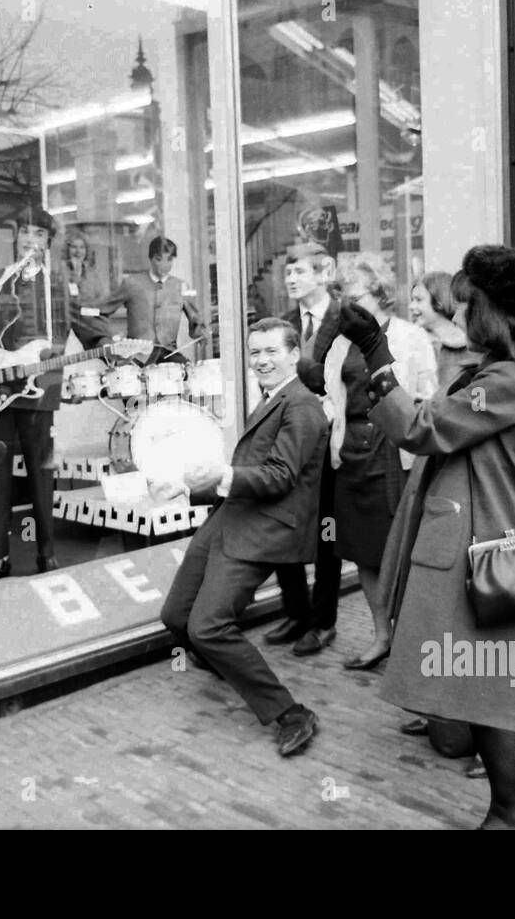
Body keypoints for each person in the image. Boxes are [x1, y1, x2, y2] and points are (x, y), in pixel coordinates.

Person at [351, 244, 515, 830]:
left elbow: (421, 428)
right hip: (489, 547)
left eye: (466, 306)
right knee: (489, 684)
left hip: (487, 550)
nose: (458, 314)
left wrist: (376, 354)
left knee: (486, 684)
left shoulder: (510, 380)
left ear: (489, 312)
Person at [158, 317, 329, 756]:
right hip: (232, 516)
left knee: (207, 627)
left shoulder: (302, 406)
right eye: (255, 352)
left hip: (264, 527)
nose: (261, 360)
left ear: (294, 354)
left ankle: (290, 712)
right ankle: (229, 663)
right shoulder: (274, 398)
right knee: (176, 616)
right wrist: (188, 487)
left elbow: (280, 476)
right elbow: (249, 471)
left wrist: (221, 475)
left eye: (272, 351)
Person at [0, 205, 111, 584]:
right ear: (15, 237)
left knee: (41, 473)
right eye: (25, 232)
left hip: (40, 390)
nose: (31, 241)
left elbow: (90, 330)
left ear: (48, 243)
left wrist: (109, 346)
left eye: (40, 234)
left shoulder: (60, 286)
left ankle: (46, 554)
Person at [324, 256, 436, 671]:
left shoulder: (411, 336)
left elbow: (429, 397)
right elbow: (332, 396)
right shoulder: (340, 342)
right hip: (352, 453)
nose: (348, 307)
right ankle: (381, 636)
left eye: (355, 298)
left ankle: (409, 640)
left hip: (393, 452)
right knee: (363, 552)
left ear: (380, 293)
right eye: (343, 299)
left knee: (399, 550)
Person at [264, 242, 343, 656]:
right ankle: (295, 612)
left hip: (331, 441)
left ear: (322, 273)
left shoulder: (345, 319)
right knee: (285, 521)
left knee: (327, 529)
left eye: (300, 272)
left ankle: (322, 621)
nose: (291, 279)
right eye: (288, 272)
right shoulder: (285, 324)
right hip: (291, 438)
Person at [96, 236, 207, 364]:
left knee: (189, 370)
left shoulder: (180, 286)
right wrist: (111, 338)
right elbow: (101, 312)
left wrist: (201, 332)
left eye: (169, 259)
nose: (164, 265)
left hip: (168, 353)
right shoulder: (132, 283)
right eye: (159, 259)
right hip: (136, 356)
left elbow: (195, 320)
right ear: (150, 258)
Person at [409, 270, 471, 389]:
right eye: (412, 300)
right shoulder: (414, 343)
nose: (411, 306)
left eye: (419, 300)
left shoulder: (471, 346)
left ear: (440, 300)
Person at [61, 230, 106, 309]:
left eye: (82, 247)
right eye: (74, 247)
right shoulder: (61, 273)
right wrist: (74, 274)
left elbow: (100, 298)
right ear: (67, 250)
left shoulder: (92, 274)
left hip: (89, 314)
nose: (78, 251)